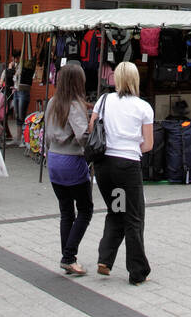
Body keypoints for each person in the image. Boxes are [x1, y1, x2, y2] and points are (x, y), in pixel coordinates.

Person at [90, 61, 152, 284]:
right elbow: (148, 145)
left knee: (116, 210)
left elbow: (92, 130)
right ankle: (137, 271)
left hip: (105, 165)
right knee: (134, 217)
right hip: (127, 166)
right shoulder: (143, 107)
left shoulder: (103, 100)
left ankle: (105, 259)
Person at [43, 62, 93, 276]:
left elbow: (45, 134)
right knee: (85, 209)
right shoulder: (74, 105)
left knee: (66, 211)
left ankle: (67, 256)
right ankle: (69, 256)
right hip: (72, 160)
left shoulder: (52, 102)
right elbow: (82, 135)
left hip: (54, 158)